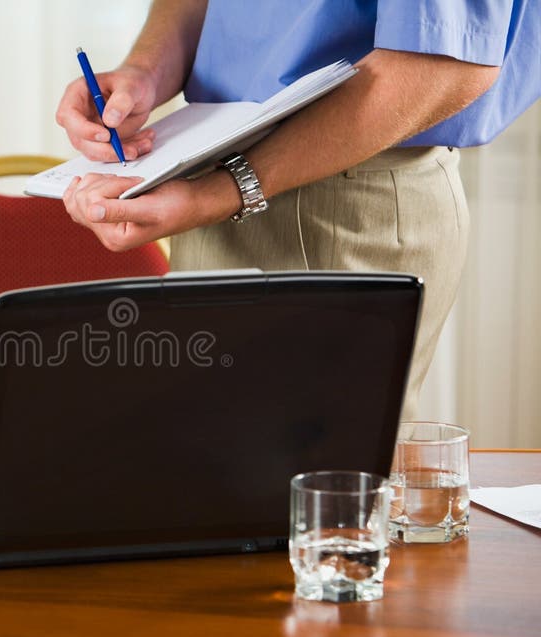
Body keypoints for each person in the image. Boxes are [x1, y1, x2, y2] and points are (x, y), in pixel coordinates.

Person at [57, 1, 539, 421]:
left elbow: (445, 62)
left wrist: (222, 191)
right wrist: (144, 72)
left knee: (318, 503)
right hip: (217, 173)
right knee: (214, 477)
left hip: (338, 196)